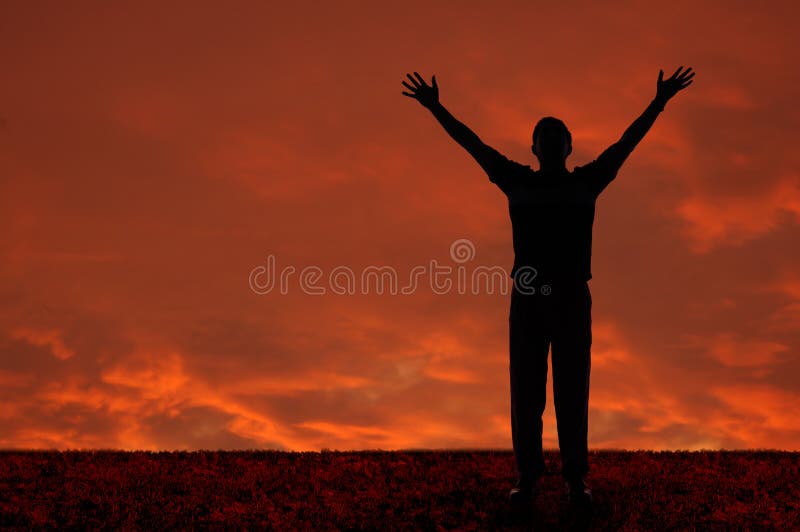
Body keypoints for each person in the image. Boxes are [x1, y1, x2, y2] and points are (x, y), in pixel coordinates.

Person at [401, 67, 695, 509]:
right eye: (545, 134)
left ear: (568, 146)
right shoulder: (518, 180)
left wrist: (659, 102)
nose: (552, 139)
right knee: (527, 389)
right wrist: (437, 108)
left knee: (573, 389)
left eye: (558, 134)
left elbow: (626, 144)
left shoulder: (585, 182)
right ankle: (529, 477)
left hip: (572, 297)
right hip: (530, 301)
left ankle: (575, 480)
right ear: (535, 148)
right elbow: (472, 145)